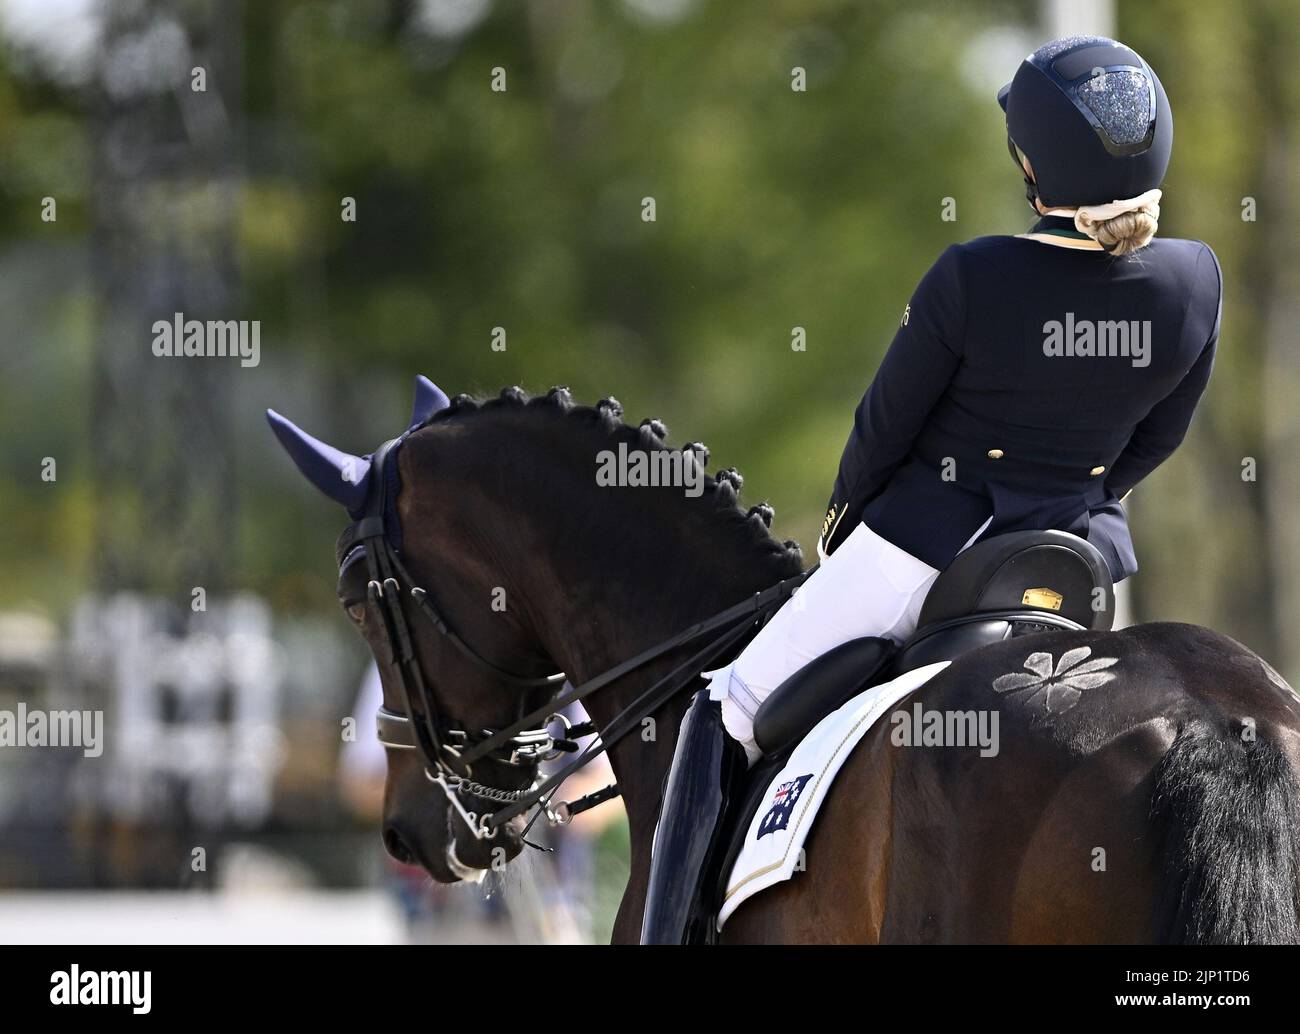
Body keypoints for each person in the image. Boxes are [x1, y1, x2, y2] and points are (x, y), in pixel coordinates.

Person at [641, 35, 1223, 943]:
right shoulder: (1196, 281)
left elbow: (881, 435)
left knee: (726, 708)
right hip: (1078, 564)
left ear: (1034, 167)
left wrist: (842, 536)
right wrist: (1078, 498)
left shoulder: (974, 275)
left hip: (930, 547)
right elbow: (1159, 438)